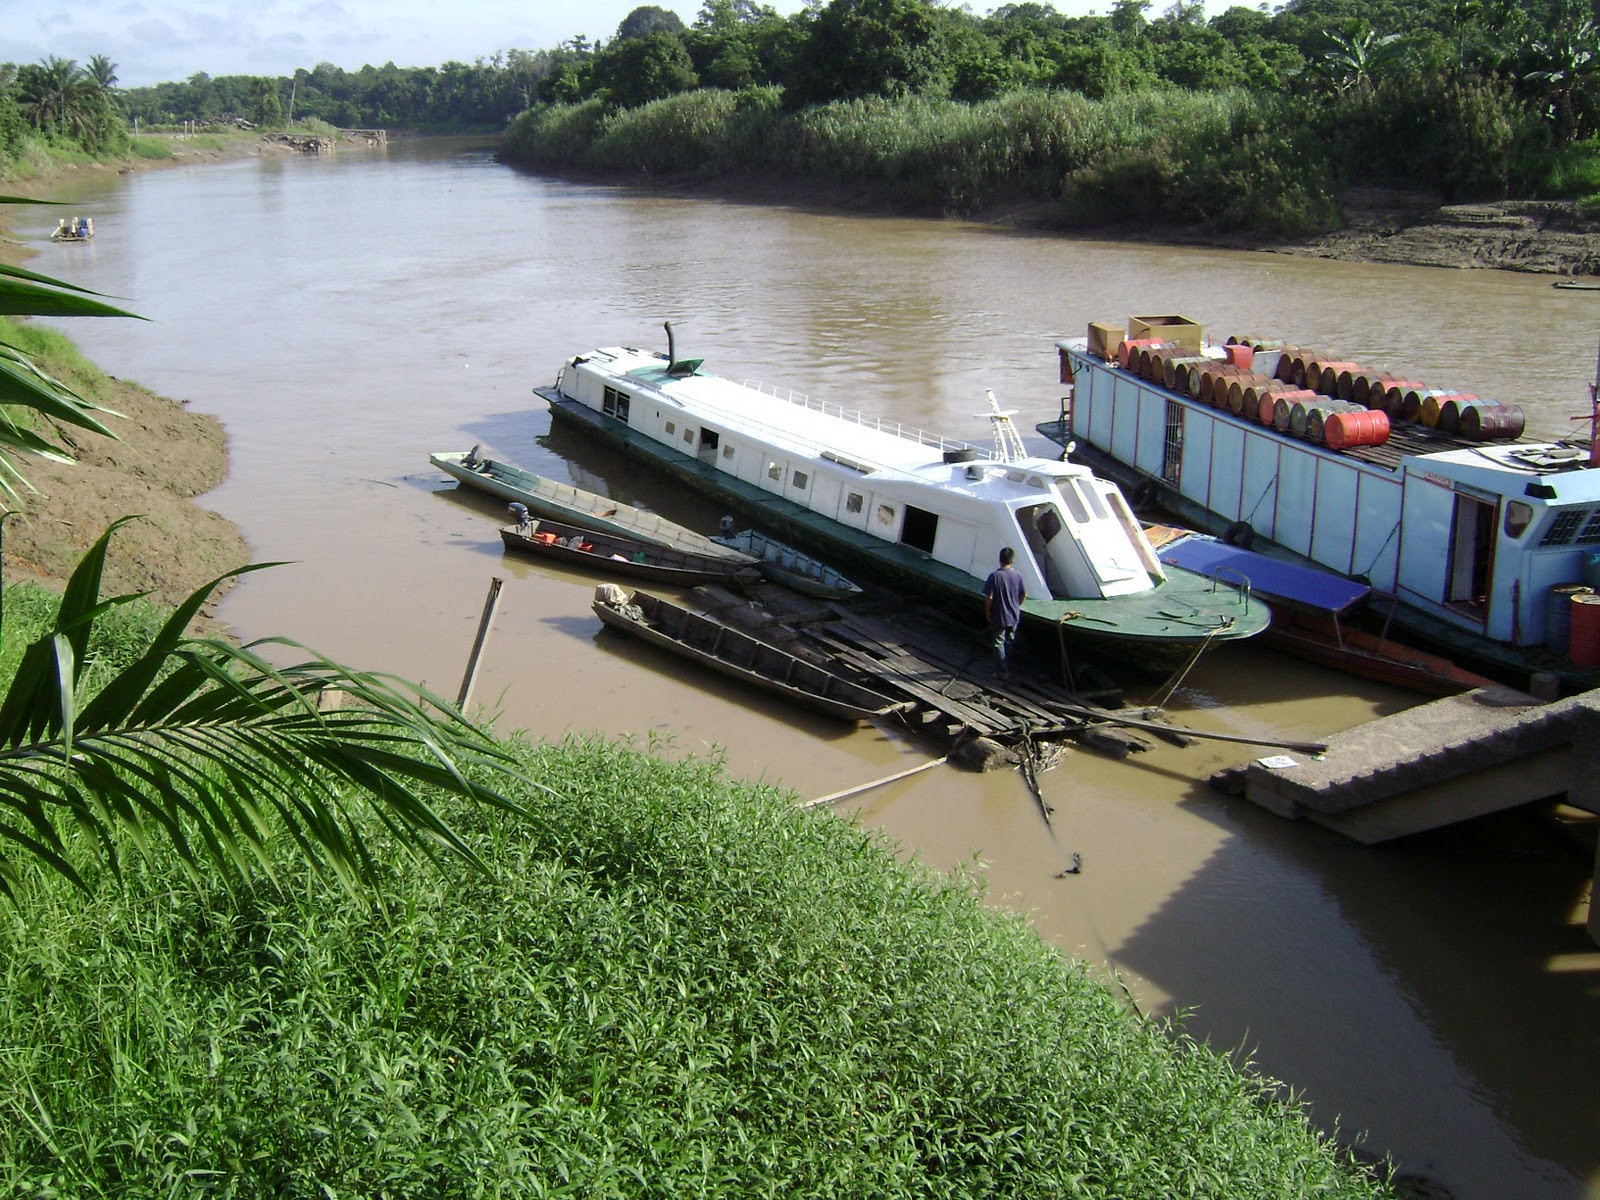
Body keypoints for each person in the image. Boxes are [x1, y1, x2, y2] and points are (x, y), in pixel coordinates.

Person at [983, 546, 1026, 680]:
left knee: (998, 642)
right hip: (1014, 614)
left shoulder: (995, 576)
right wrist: (1017, 605)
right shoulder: (1018, 575)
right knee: (1009, 640)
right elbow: (1024, 594)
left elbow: (989, 598)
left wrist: (987, 611)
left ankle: (1003, 670)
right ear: (1012, 561)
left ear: (1000, 560)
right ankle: (1005, 662)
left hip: (1000, 615)